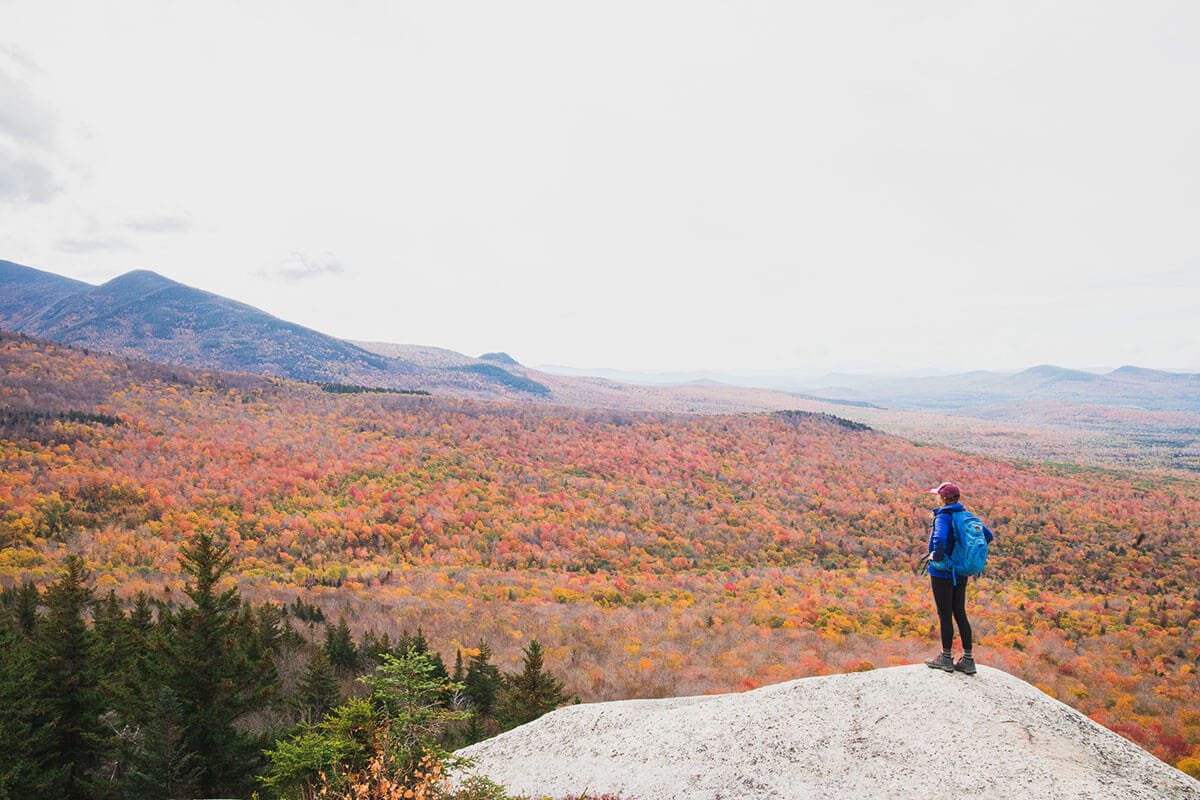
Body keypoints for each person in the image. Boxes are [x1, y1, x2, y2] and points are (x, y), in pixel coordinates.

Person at [924, 481, 993, 675]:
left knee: (945, 614)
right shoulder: (966, 516)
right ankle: (968, 659)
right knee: (960, 613)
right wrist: (963, 556)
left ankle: (946, 658)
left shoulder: (943, 517)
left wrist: (936, 556)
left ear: (943, 498)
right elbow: (988, 535)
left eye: (938, 495)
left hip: (943, 572)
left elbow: (940, 539)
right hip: (962, 572)